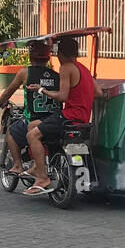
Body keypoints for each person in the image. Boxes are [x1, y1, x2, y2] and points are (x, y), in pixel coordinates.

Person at [23, 36, 100, 195]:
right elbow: (98, 92)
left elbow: (63, 96)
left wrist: (40, 90)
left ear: (61, 53)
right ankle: (38, 165)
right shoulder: (83, 69)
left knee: (32, 135)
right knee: (33, 125)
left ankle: (42, 178)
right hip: (83, 118)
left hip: (68, 116)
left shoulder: (66, 68)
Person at [0, 39, 59, 181]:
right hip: (54, 119)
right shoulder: (56, 75)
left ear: (30, 56)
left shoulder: (25, 73)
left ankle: (17, 165)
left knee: (12, 131)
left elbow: (8, 91)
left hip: (33, 120)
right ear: (48, 57)